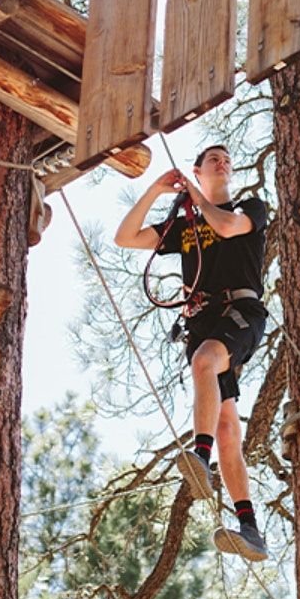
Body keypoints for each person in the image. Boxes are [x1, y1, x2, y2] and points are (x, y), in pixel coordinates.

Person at [115, 144, 268, 561]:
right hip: (203, 323)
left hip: (240, 310)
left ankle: (199, 458)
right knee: (226, 427)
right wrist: (155, 191)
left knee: (206, 360)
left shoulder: (251, 207)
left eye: (226, 158)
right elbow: (125, 237)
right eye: (212, 159)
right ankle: (251, 528)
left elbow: (227, 227)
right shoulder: (183, 227)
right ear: (197, 170)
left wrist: (196, 199)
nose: (222, 162)